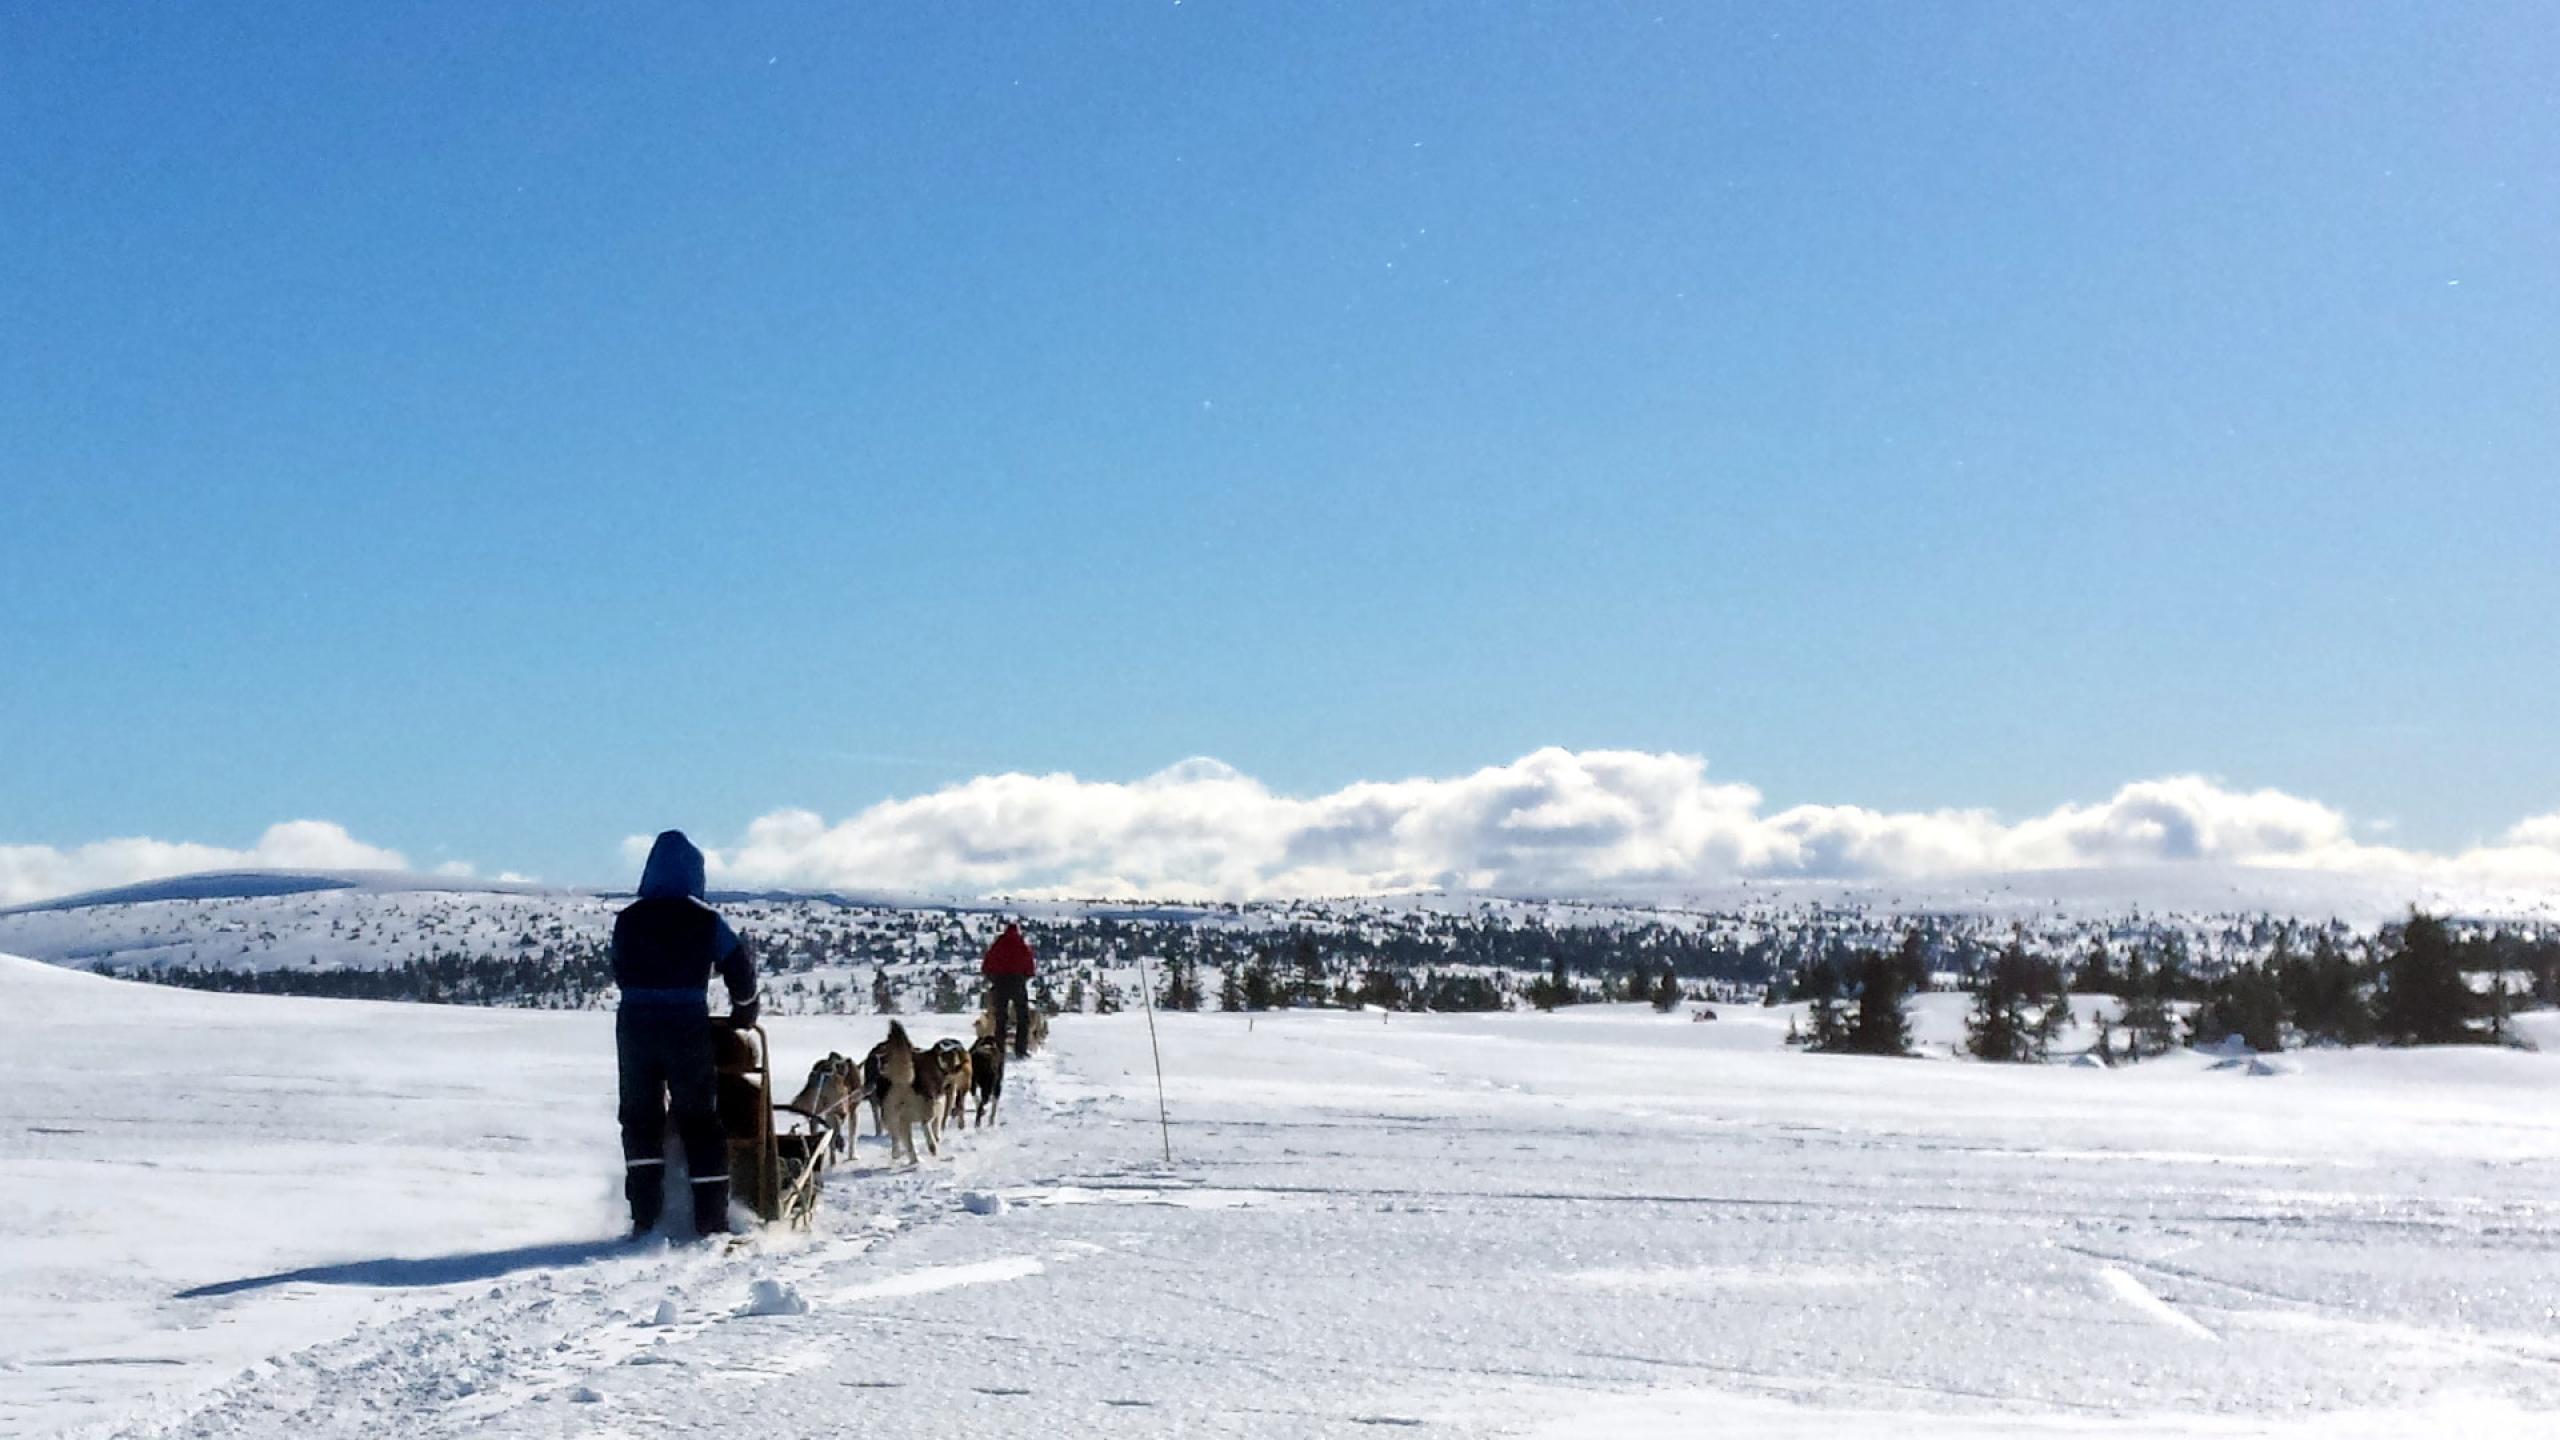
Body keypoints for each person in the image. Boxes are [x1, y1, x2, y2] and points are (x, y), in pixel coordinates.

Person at [612, 830, 757, 1239]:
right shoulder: (706, 920)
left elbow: (618, 966)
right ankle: (711, 1220)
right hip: (687, 1025)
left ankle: (645, 1217)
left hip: (635, 1026)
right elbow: (739, 969)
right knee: (700, 1120)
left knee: (640, 1119)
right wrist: (744, 1012)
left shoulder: (628, 919)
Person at [981, 920, 1037, 1058]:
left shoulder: (998, 945)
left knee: (1001, 1018)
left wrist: (993, 979)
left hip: (1000, 983)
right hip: (1017, 982)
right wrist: (1023, 979)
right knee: (1022, 1018)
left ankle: (999, 1049)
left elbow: (986, 965)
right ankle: (1020, 1049)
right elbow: (1030, 967)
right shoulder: (1021, 945)